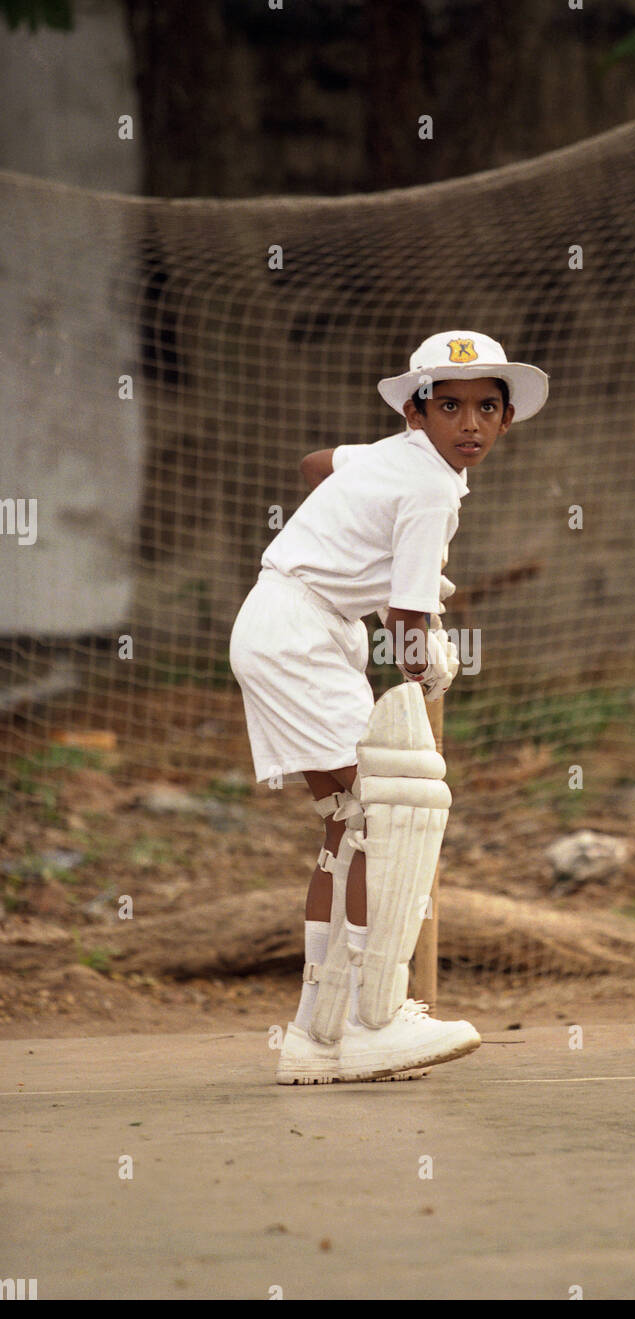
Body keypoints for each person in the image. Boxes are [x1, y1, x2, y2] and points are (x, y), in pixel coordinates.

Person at [229, 331, 549, 1083]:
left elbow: (317, 466)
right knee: (386, 817)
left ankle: (317, 1033)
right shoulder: (430, 487)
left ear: (507, 419)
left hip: (288, 622)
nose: (469, 424)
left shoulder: (388, 457)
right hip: (301, 635)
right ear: (417, 412)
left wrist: (355, 545)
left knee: (349, 823)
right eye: (449, 407)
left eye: (486, 407)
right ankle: (376, 1018)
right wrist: (431, 662)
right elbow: (405, 629)